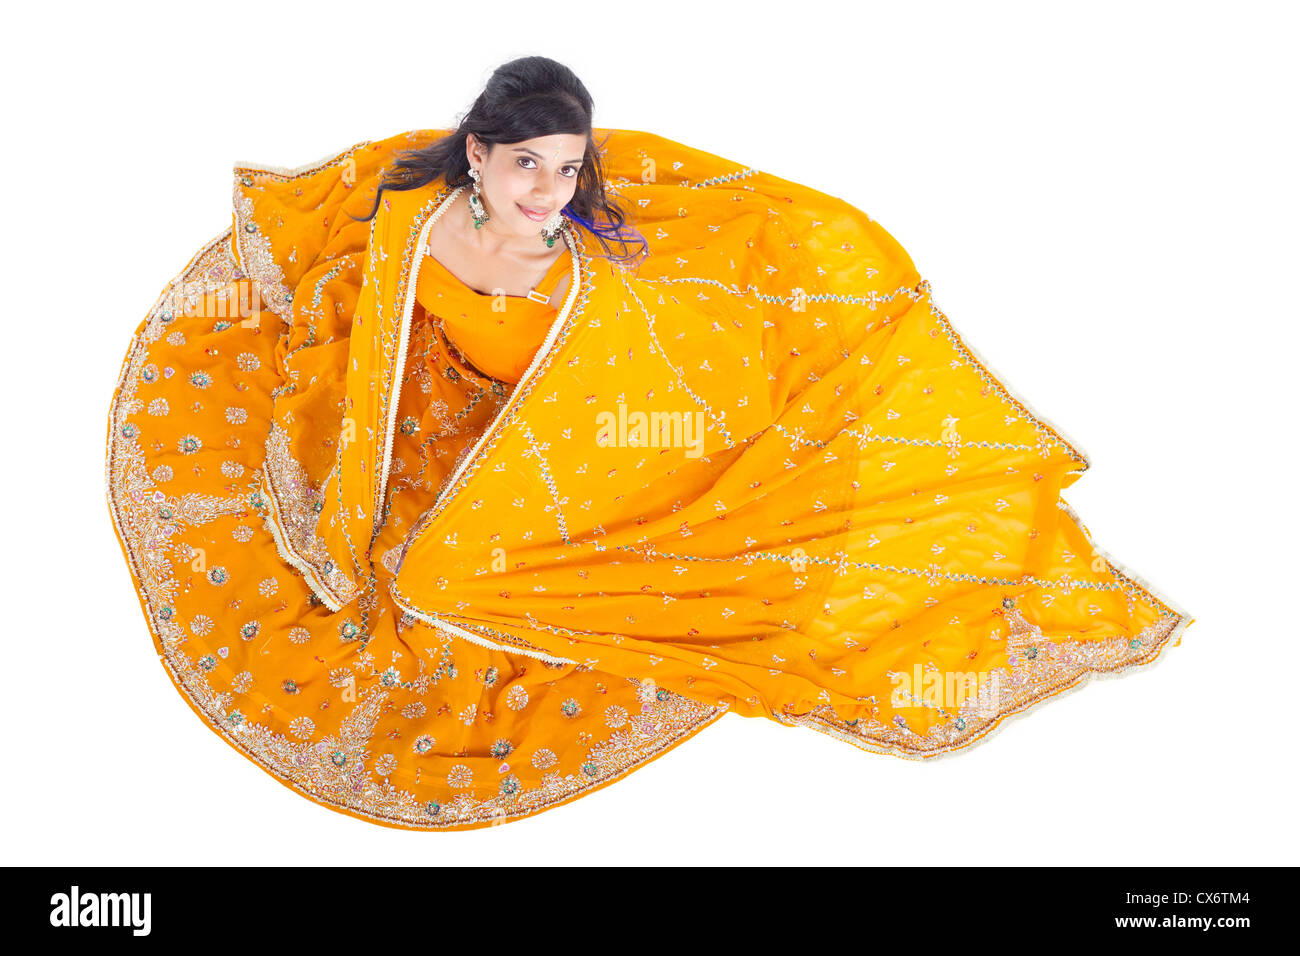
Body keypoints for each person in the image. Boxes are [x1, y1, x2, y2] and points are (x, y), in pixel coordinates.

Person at [105, 55, 1193, 831]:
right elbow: (377, 364)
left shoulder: (575, 231)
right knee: (443, 579)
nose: (549, 192)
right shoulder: (415, 231)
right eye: (527, 166)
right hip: (519, 419)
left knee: (761, 467)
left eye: (568, 168)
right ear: (477, 156)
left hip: (632, 392)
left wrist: (601, 326)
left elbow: (634, 313)